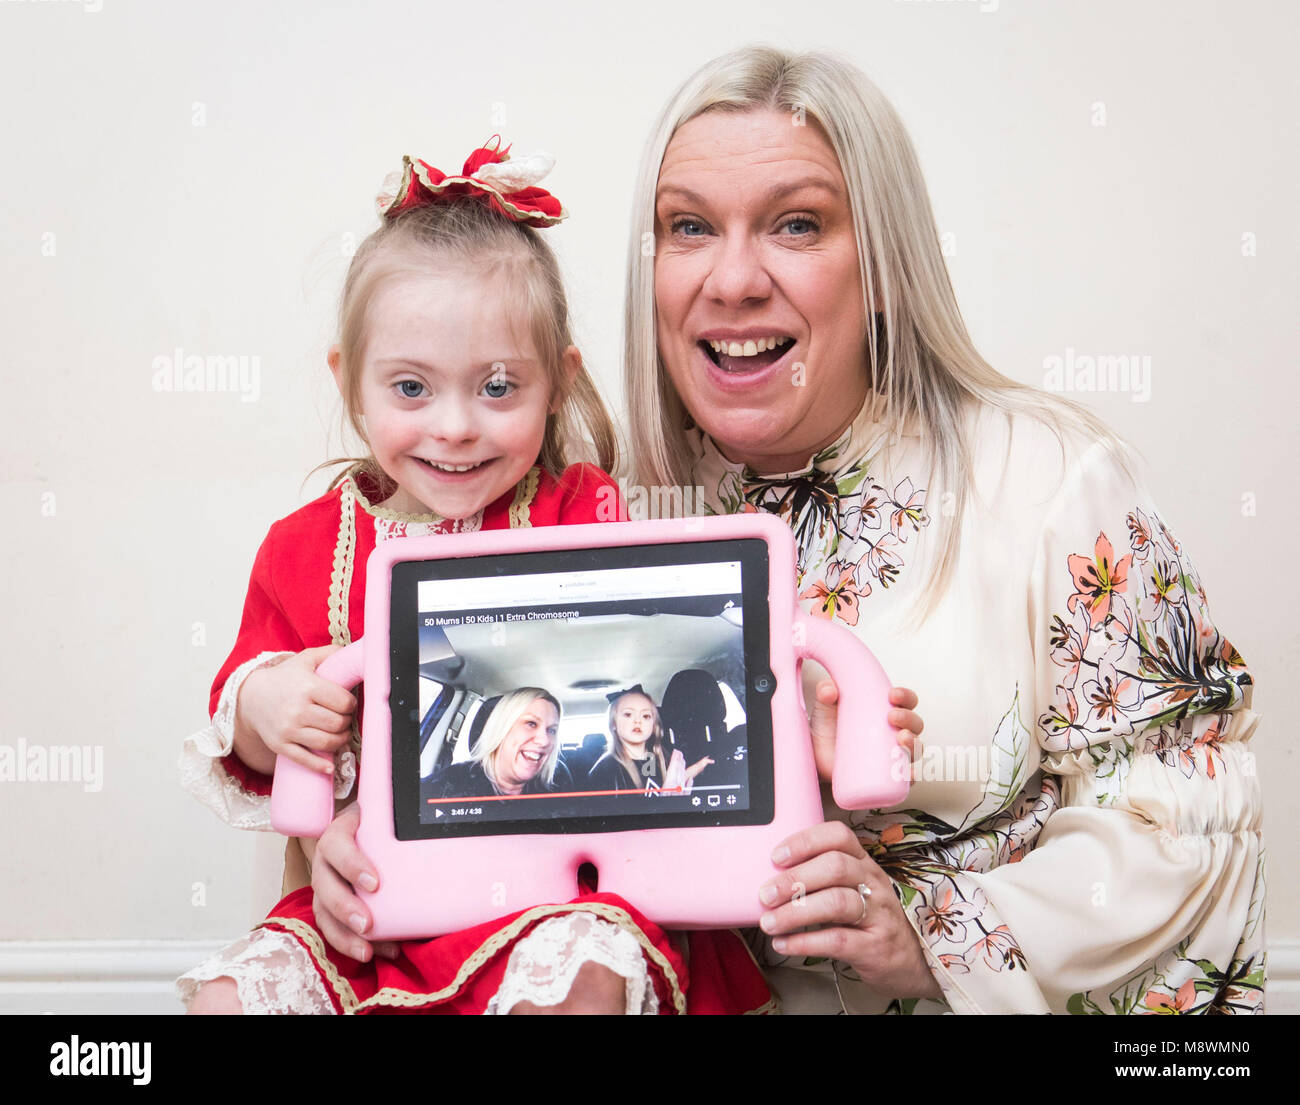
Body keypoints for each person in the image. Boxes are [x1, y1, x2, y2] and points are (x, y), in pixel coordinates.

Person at [625, 47, 1264, 1014]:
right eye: (689, 227)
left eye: (797, 224)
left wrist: (935, 938)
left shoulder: (1046, 479)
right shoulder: (605, 513)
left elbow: (1192, 800)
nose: (733, 278)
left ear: (884, 267)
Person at [175, 140, 779, 1015]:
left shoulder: (586, 513)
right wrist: (270, 705)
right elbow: (252, 732)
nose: (454, 428)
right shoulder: (307, 546)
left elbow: (659, 638)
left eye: (498, 387)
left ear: (557, 385)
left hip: (553, 897)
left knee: (580, 974)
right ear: (352, 384)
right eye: (412, 388)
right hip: (373, 902)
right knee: (230, 994)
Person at [423, 688, 574, 801]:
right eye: (531, 723)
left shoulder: (559, 787)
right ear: (500, 728)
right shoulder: (445, 787)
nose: (545, 740)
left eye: (552, 730)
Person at [583, 686, 710, 793]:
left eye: (645, 716)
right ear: (613, 724)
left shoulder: (656, 758)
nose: (638, 721)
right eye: (628, 714)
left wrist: (688, 774)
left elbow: (654, 783)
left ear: (654, 725)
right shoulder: (605, 770)